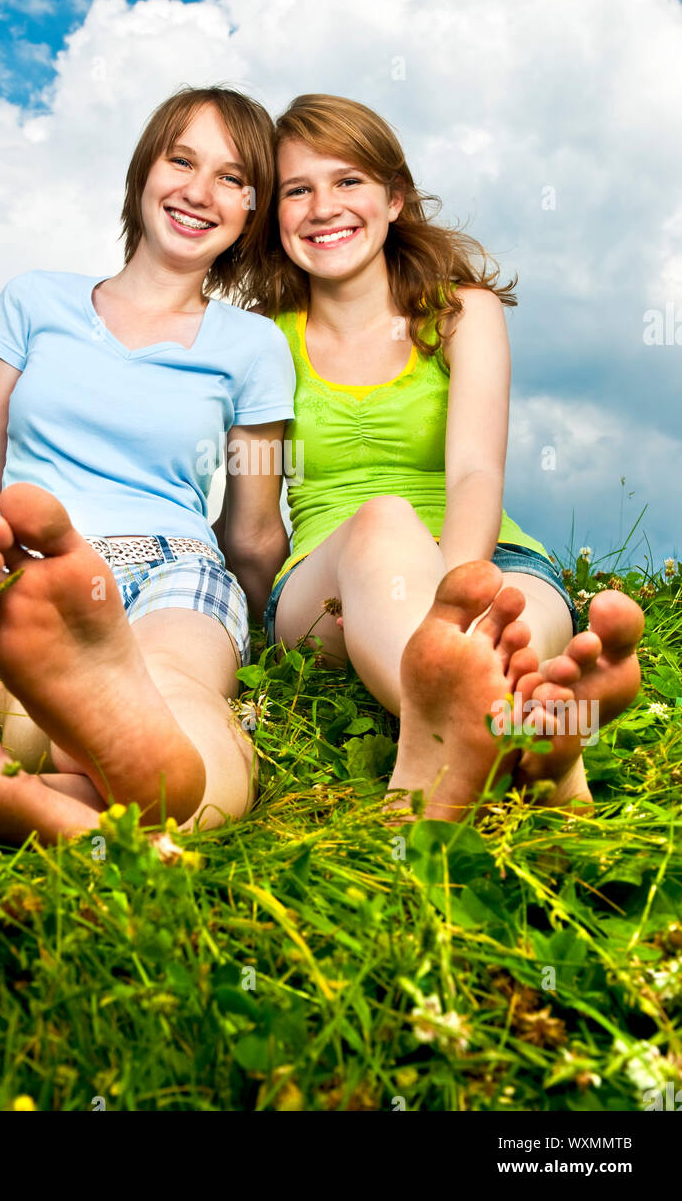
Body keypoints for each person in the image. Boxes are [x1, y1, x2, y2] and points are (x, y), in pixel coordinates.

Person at [0, 87, 295, 843]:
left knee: (177, 686)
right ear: (144, 172)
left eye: (233, 180)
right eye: (182, 160)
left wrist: (253, 636)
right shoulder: (34, 302)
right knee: (67, 687)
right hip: (30, 572)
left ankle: (37, 792)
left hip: (175, 567)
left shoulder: (256, 347)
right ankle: (103, 788)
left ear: (250, 215)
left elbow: (254, 531)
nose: (199, 192)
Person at [255, 94, 643, 821]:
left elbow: (473, 472)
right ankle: (492, 725)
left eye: (347, 182)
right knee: (382, 520)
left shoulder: (464, 313)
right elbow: (251, 523)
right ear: (273, 216)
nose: (321, 205)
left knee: (519, 622)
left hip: (490, 560)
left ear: (394, 198)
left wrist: (457, 603)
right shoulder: (257, 341)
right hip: (331, 587)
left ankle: (506, 730)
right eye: (296, 190)